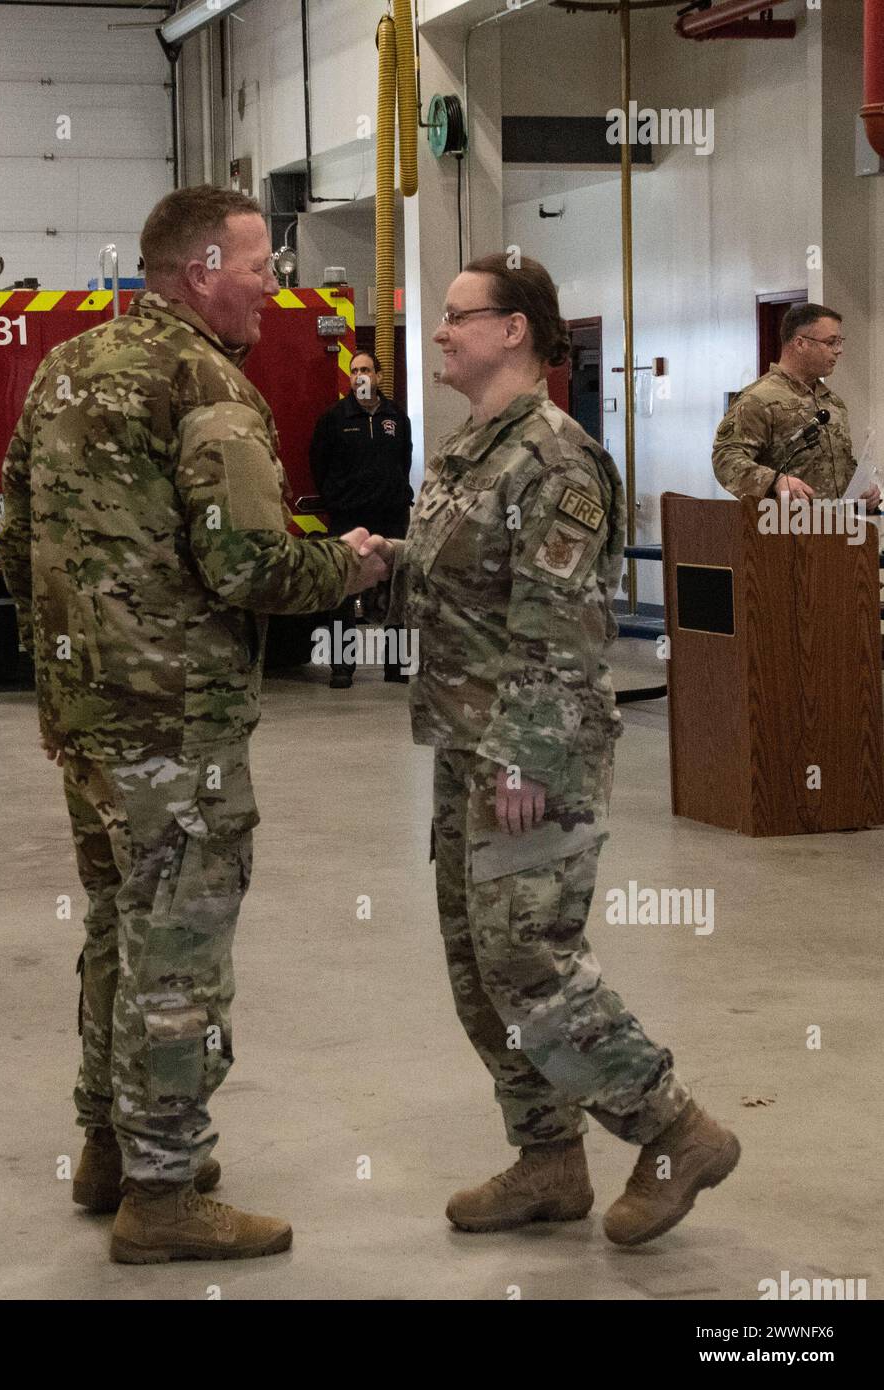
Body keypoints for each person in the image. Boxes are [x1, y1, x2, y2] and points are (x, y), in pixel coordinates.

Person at [0, 185, 388, 1265]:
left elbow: (16, 526)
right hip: (176, 724)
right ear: (206, 263)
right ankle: (164, 1191)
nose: (275, 284)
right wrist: (347, 567)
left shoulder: (68, 367)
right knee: (179, 947)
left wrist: (57, 685)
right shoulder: (206, 382)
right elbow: (248, 562)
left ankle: (109, 1146)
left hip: (87, 716)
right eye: (263, 263)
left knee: (119, 925)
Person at [362, 255, 739, 1247]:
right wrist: (388, 557)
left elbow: (563, 621)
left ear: (515, 330)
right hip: (466, 738)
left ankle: (673, 1129)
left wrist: (525, 755)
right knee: (475, 963)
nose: (438, 331)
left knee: (527, 957)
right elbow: (480, 580)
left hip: (532, 750)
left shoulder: (553, 458)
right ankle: (546, 1159)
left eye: (456, 315)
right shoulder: (471, 450)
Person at [309, 349, 412, 687]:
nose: (360, 376)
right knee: (343, 591)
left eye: (366, 370)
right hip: (349, 518)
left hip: (391, 516)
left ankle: (396, 667)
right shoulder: (334, 419)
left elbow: (404, 462)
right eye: (354, 371)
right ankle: (342, 668)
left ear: (378, 377)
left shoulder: (397, 418)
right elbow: (319, 465)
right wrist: (337, 499)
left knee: (397, 592)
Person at [712, 302, 880, 507]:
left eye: (840, 341)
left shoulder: (833, 402)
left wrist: (864, 490)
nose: (839, 350)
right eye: (831, 342)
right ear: (800, 343)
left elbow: (840, 463)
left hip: (834, 528)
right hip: (782, 528)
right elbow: (725, 459)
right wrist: (775, 481)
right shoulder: (759, 399)